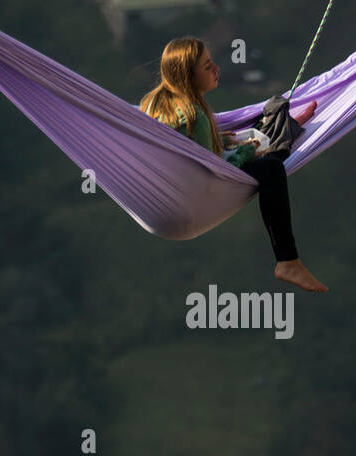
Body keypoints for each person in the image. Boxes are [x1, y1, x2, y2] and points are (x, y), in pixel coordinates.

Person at [139, 38, 327, 292]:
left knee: (253, 137)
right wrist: (249, 150)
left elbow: (196, 150)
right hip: (192, 199)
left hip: (164, 196)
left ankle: (284, 128)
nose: (217, 69)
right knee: (271, 167)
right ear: (187, 76)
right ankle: (287, 261)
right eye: (207, 66)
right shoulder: (194, 117)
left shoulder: (152, 103)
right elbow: (215, 171)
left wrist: (236, 142)